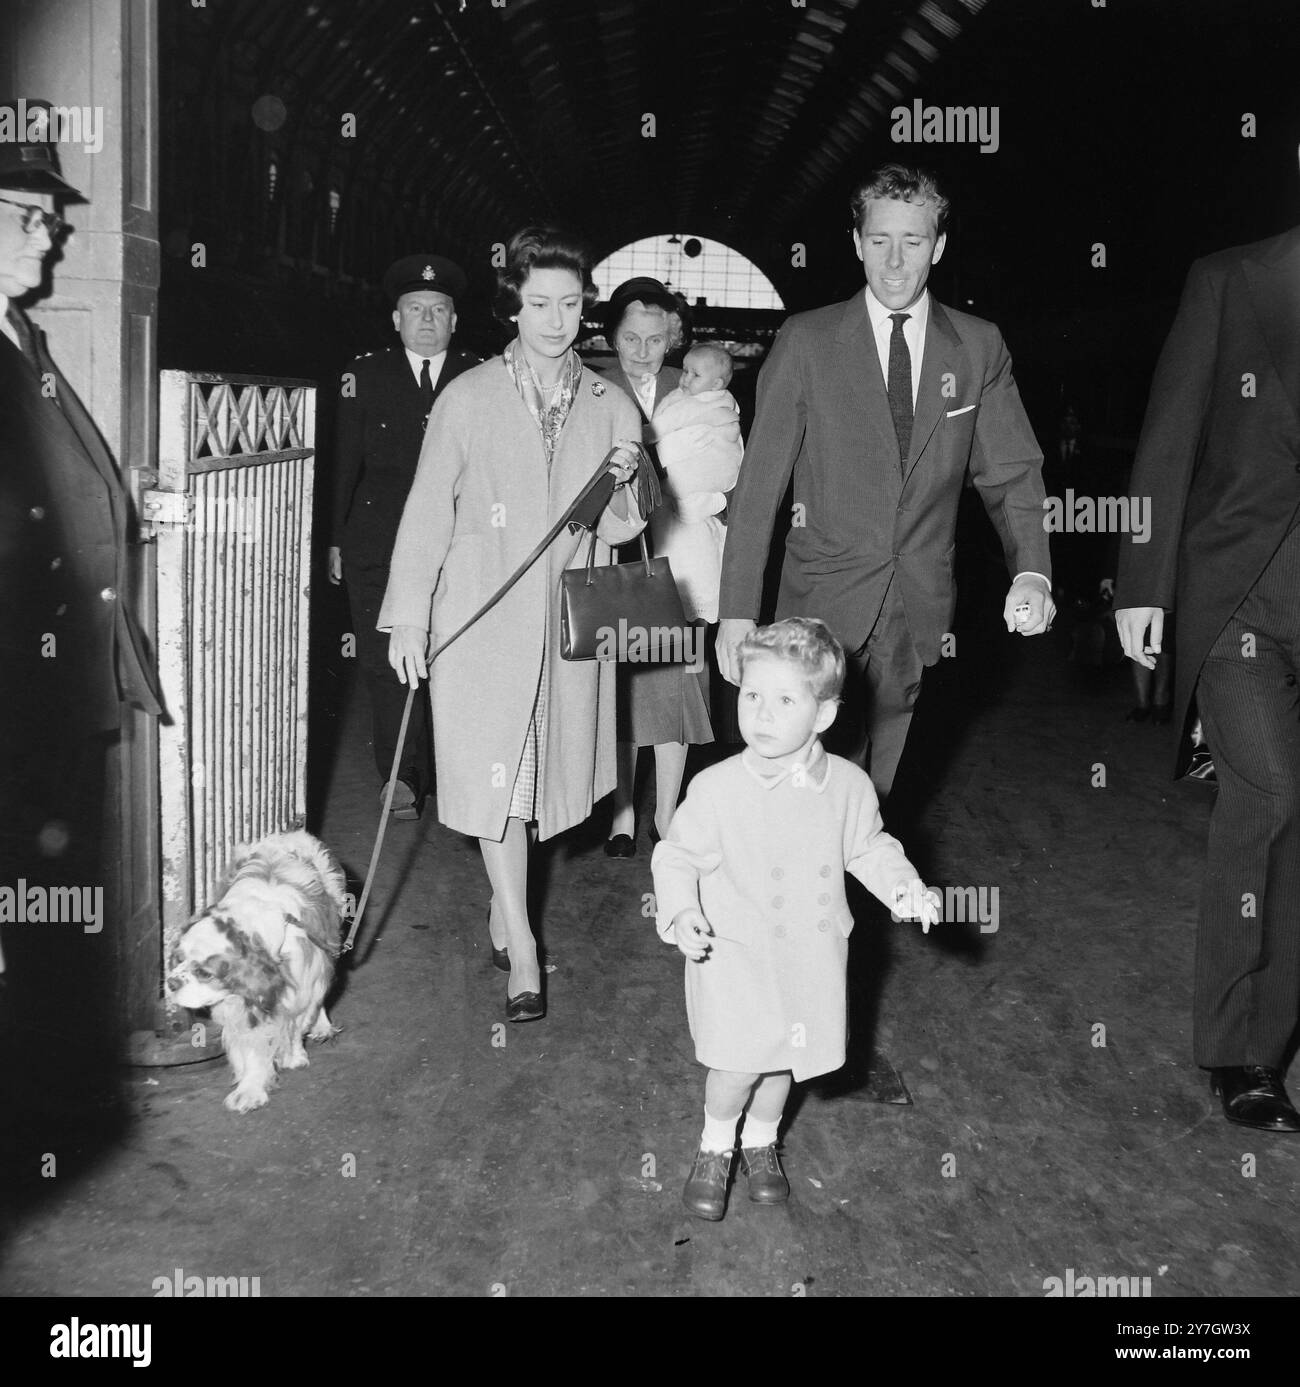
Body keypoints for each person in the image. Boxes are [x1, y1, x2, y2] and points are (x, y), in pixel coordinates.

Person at [716, 164, 1054, 801]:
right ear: (856, 242)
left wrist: (1032, 570)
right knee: (797, 790)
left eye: (913, 242)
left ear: (939, 246)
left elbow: (1012, 472)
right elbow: (758, 488)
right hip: (816, 605)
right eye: (879, 241)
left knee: (875, 796)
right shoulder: (807, 340)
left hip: (915, 608)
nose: (895, 262)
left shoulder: (978, 346)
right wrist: (736, 611)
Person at [380, 227, 645, 1022]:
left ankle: (505, 902)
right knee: (500, 779)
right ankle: (524, 947)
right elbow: (427, 510)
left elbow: (624, 531)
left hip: (567, 629)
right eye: (539, 305)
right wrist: (407, 618)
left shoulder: (612, 404)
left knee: (540, 784)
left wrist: (630, 483)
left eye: (569, 304)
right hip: (480, 622)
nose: (556, 322)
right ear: (512, 308)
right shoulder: (467, 397)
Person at [1114, 163, 1300, 1133]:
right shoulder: (1230, 279)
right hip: (1240, 602)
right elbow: (1170, 434)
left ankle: (1270, 1036)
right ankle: (1234, 1050)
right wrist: (1143, 584)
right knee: (1269, 794)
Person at [652, 618, 939, 1220]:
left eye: (785, 700)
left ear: (824, 714)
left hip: (809, 959)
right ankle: (715, 1146)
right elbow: (675, 856)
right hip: (735, 956)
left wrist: (905, 889)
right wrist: (682, 910)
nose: (761, 713)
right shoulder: (716, 788)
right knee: (736, 1064)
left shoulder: (849, 787)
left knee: (785, 1059)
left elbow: (869, 848)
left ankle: (761, 1141)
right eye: (752, 695)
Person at [0, 99, 162, 888]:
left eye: (52, 220)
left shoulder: (20, 334)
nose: (50, 235)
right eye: (29, 216)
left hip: (57, 682)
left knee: (55, 889)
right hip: (18, 688)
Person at [328, 254, 479, 820]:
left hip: (458, 544)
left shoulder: (479, 376)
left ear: (454, 321)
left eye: (438, 310)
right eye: (415, 309)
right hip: (377, 544)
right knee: (383, 660)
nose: (427, 320)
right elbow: (343, 463)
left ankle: (451, 771)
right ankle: (401, 776)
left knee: (453, 657)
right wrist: (335, 539)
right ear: (396, 319)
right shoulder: (363, 375)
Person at [593, 277, 712, 854]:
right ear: (611, 336)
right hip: (611, 560)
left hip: (679, 560)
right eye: (631, 338)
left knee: (675, 688)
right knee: (618, 688)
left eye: (656, 340)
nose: (643, 352)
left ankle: (666, 812)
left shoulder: (696, 388)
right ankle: (621, 811)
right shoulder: (589, 388)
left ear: (675, 338)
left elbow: (726, 461)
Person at [648, 344, 743, 623]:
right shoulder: (693, 396)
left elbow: (663, 425)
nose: (685, 378)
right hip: (673, 515)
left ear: (716, 384)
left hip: (704, 487)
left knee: (701, 573)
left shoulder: (702, 403)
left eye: (695, 374)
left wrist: (643, 435)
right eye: (685, 371)